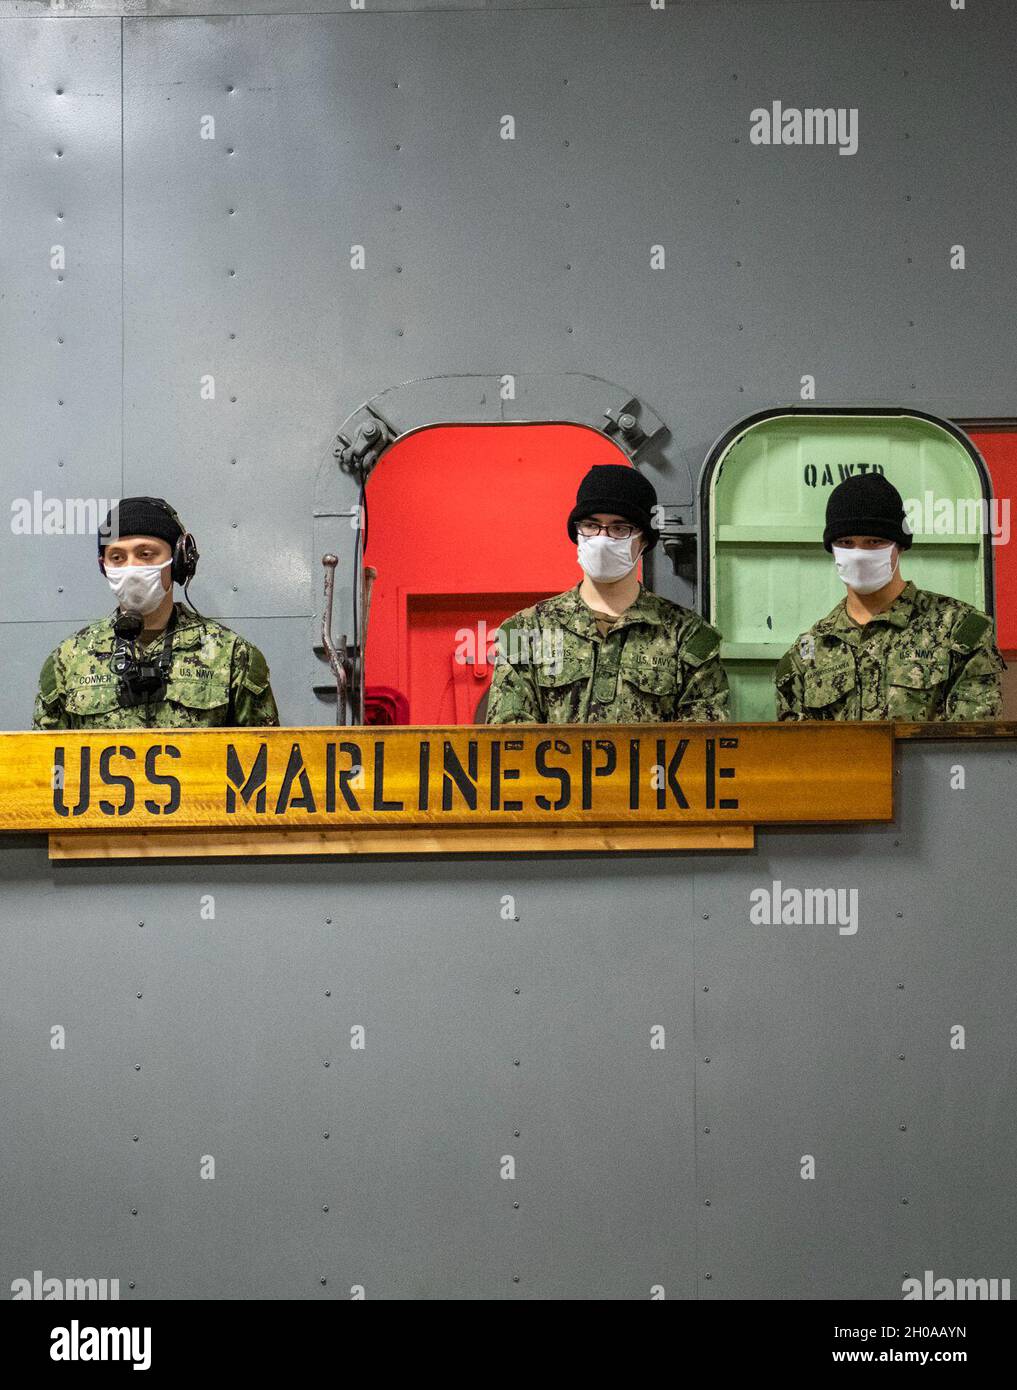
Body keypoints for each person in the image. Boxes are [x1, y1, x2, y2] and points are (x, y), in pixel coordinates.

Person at [485, 464, 729, 723]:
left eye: (619, 528)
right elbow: (509, 742)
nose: (602, 539)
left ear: (644, 540)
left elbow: (704, 747)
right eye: (591, 526)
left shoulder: (687, 636)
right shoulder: (526, 631)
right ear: (577, 533)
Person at [32, 496, 280, 730]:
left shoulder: (232, 655)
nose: (132, 568)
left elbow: (265, 762)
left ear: (178, 560)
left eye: (146, 554)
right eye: (117, 557)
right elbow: (41, 767)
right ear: (104, 567)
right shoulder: (68, 659)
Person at [775, 473, 1004, 721]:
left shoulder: (958, 630)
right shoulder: (807, 653)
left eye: (875, 541)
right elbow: (797, 752)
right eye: (846, 542)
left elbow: (973, 740)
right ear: (832, 549)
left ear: (900, 545)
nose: (859, 554)